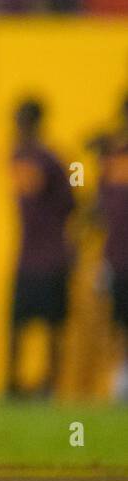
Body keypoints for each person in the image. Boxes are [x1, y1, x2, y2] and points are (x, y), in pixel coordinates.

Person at [6, 99, 75, 400]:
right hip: (26, 256)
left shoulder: (51, 160)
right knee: (16, 322)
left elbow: (72, 204)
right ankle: (12, 385)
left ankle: (49, 386)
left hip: (52, 256)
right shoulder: (16, 156)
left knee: (52, 324)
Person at [94, 94, 128, 402]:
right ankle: (121, 377)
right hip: (118, 256)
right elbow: (100, 208)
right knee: (119, 319)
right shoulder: (113, 157)